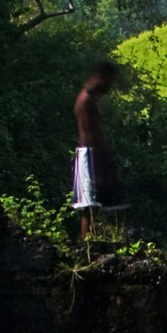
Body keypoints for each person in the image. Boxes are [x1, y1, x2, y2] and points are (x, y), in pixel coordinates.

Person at [71, 60, 127, 242]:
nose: (110, 87)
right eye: (109, 82)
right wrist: (101, 158)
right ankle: (86, 242)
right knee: (90, 203)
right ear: (100, 78)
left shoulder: (89, 99)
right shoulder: (85, 101)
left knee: (103, 202)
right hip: (90, 155)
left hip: (94, 154)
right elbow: (90, 134)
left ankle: (95, 240)